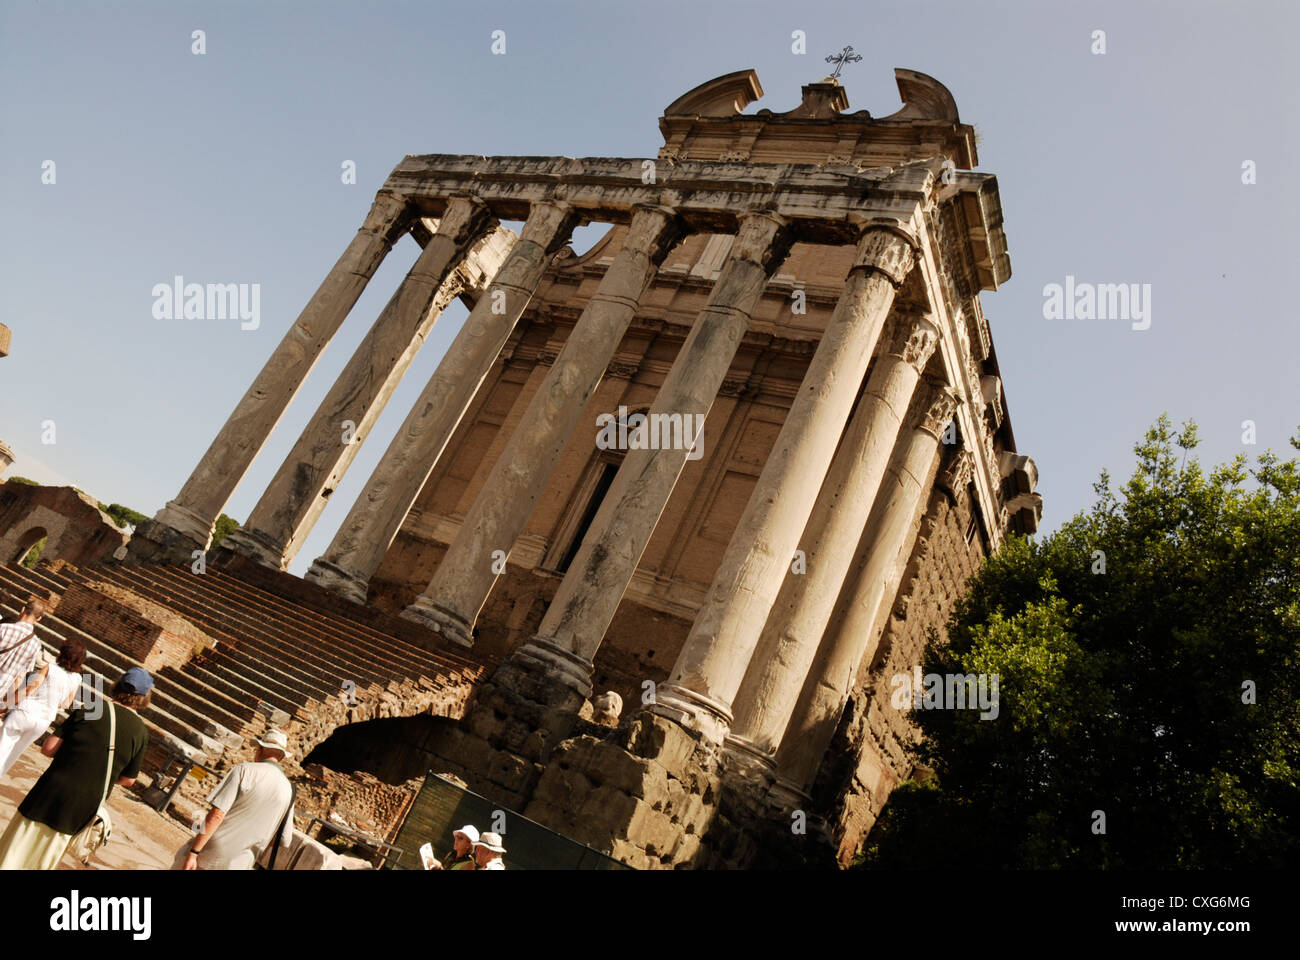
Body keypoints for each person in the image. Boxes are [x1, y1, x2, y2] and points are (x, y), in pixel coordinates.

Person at [0, 665, 151, 870]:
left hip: (52, 788)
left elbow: (49, 748)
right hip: (86, 802)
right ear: (144, 697)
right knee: (46, 857)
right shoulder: (140, 732)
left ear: (117, 686)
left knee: (18, 843)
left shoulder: (92, 708)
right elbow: (129, 779)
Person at [174, 728, 295, 870]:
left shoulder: (244, 770)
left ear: (260, 749)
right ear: (281, 757)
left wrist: (194, 852)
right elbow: (284, 840)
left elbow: (217, 815)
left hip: (209, 855)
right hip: (241, 863)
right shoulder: (289, 791)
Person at [0, 637, 85, 776]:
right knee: (13, 754)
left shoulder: (50, 668)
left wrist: (6, 705)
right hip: (43, 721)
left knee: (3, 745)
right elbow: (66, 704)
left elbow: (28, 690)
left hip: (25, 712)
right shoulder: (77, 679)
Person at [0, 599, 46, 712]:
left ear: (23, 610)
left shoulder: (4, 628)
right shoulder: (36, 645)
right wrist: (6, 703)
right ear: (39, 619)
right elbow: (20, 677)